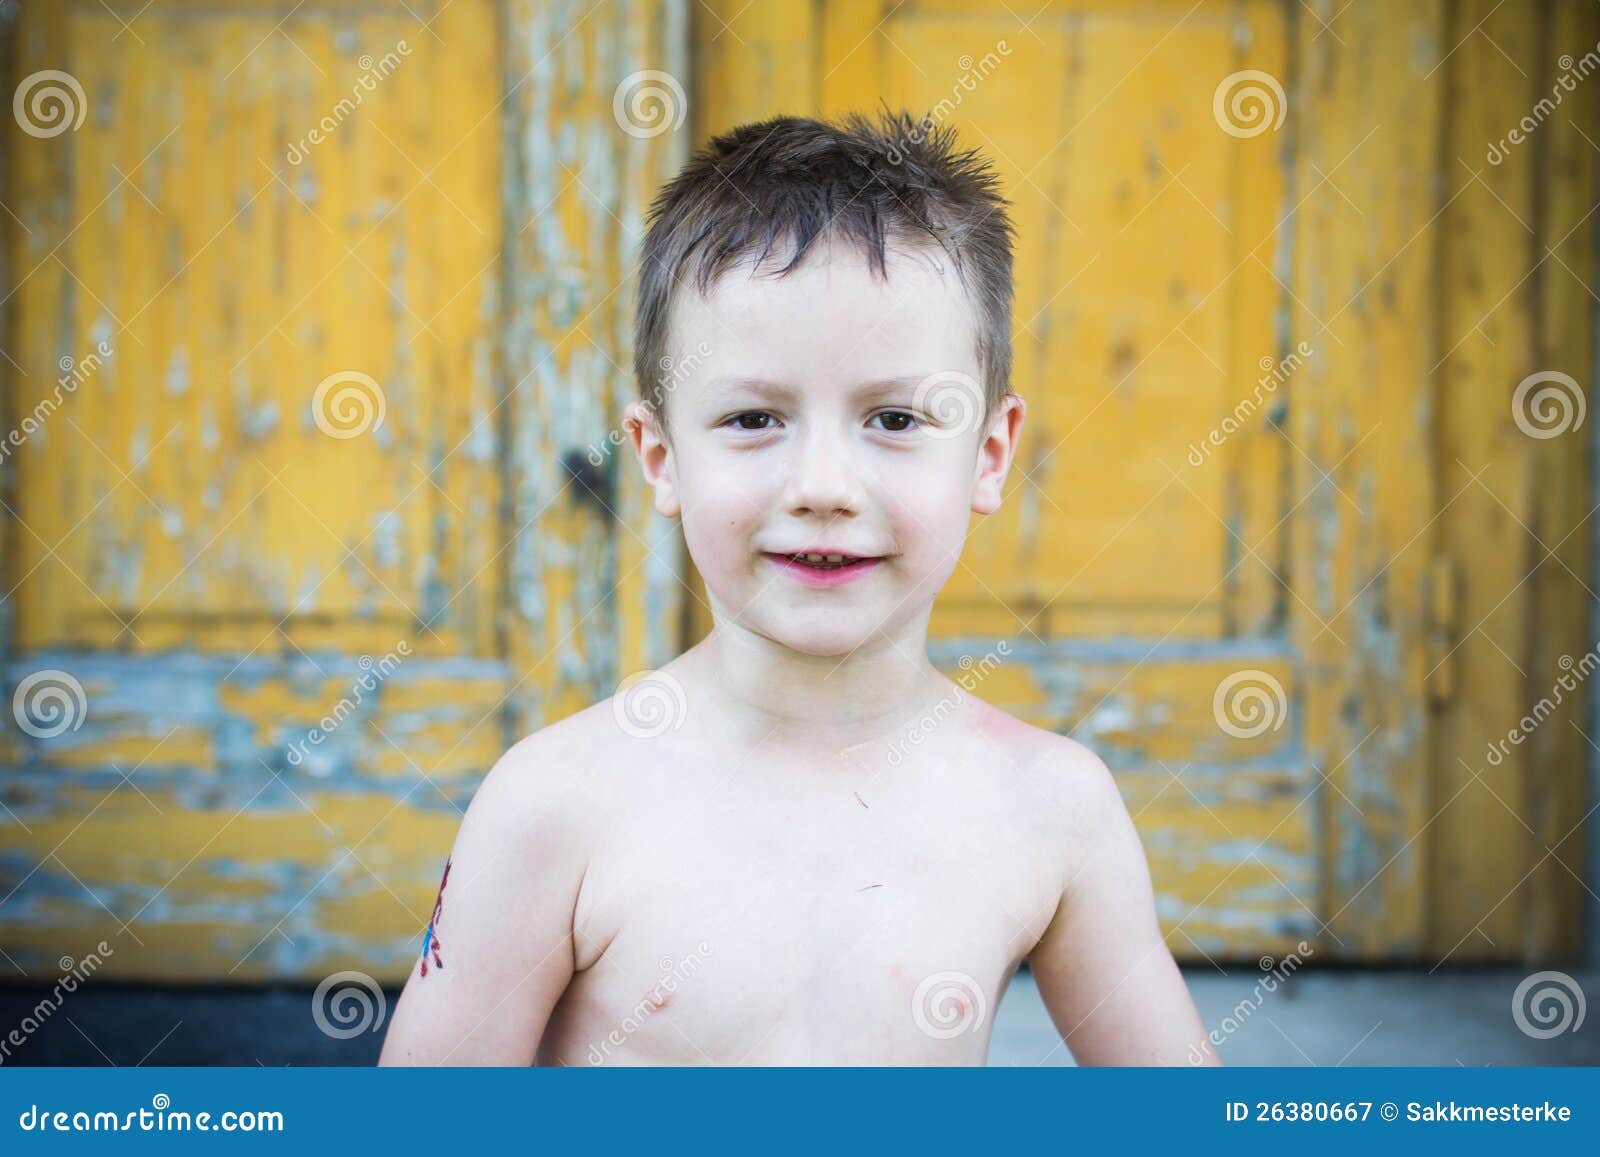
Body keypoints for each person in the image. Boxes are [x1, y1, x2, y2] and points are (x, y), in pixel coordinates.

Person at [379, 110, 1216, 1066]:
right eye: (751, 418)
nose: (823, 485)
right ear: (658, 455)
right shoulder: (554, 806)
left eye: (895, 417)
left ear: (988, 456)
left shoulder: (1051, 808)